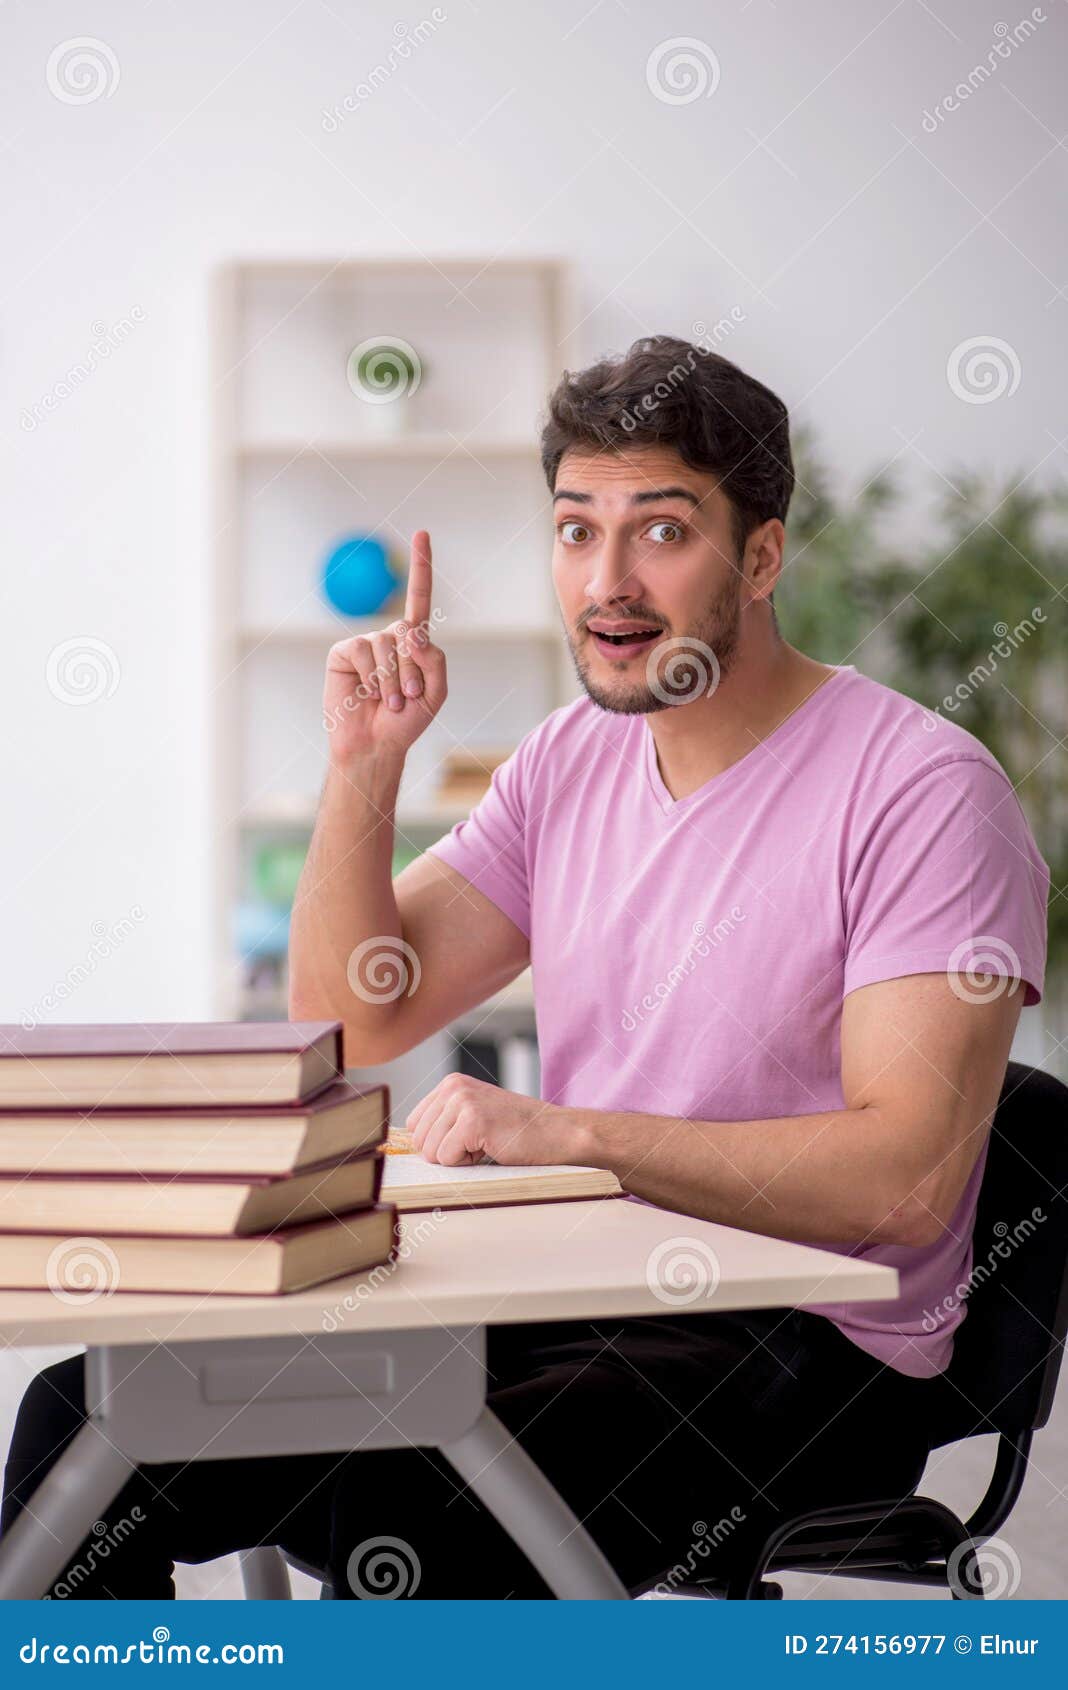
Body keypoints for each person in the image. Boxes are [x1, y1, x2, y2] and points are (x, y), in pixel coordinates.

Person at [3, 336, 1048, 1599]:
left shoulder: (927, 792)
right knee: (94, 1422)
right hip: (574, 1278)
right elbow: (354, 1012)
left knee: (423, 1512)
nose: (605, 582)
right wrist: (365, 767)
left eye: (661, 532)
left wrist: (567, 1133)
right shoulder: (569, 762)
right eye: (573, 531)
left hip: (811, 1336)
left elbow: (901, 1190)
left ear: (761, 556)